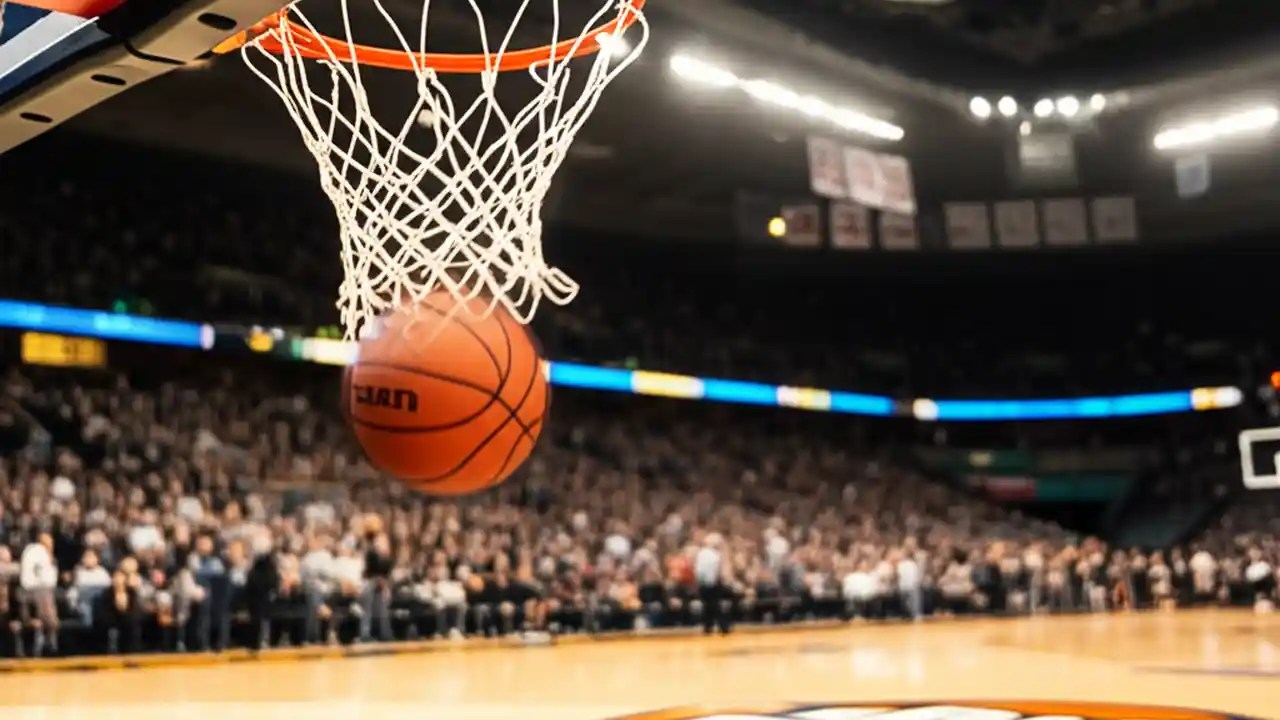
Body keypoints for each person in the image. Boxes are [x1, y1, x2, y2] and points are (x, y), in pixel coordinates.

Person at [19, 532, 58, 656]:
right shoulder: (34, 554)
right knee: (44, 598)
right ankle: (48, 640)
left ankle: (49, 640)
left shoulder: (50, 559)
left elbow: (51, 582)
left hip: (43, 593)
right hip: (31, 593)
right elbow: (32, 581)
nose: (50, 545)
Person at [694, 533, 728, 635]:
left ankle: (708, 627)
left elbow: (698, 570)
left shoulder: (700, 554)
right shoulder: (715, 555)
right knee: (715, 606)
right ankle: (722, 627)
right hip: (713, 583)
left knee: (708, 607)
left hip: (703, 584)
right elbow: (717, 570)